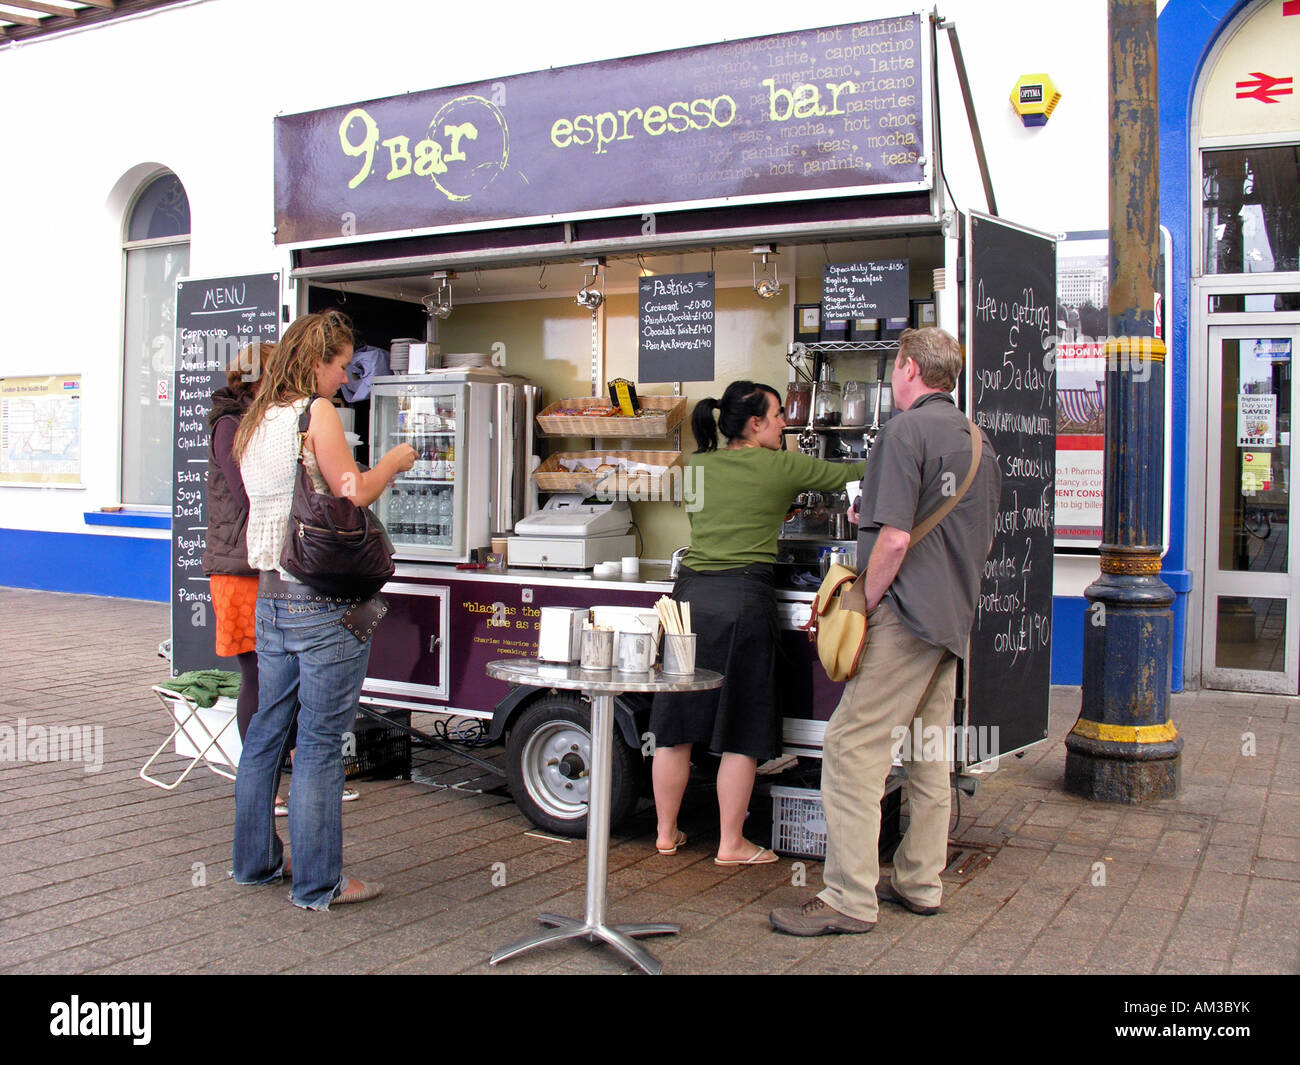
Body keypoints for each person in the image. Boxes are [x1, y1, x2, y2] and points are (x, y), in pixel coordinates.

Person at [770, 327, 1001, 936]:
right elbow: (964, 533)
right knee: (928, 756)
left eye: (895, 367)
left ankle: (848, 897)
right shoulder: (979, 441)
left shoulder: (904, 431)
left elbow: (896, 538)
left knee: (851, 748)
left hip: (905, 615)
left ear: (906, 368)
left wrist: (863, 606)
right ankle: (922, 883)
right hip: (952, 621)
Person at [231, 310, 416, 910]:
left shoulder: (255, 417)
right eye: (341, 366)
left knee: (265, 734)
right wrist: (394, 461)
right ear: (315, 361)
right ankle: (318, 883)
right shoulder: (314, 413)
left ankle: (255, 863)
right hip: (323, 603)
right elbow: (351, 491)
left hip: (271, 597)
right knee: (317, 742)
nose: (344, 378)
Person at [650, 381, 865, 866]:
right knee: (742, 727)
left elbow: (718, 513)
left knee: (676, 726)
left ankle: (666, 834)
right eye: (779, 416)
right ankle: (731, 844)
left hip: (688, 598)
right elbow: (850, 472)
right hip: (743, 598)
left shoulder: (695, 466)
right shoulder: (780, 465)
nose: (785, 423)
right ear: (755, 423)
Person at [202, 356, 262, 741]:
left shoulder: (253, 422)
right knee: (257, 675)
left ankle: (293, 767)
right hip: (238, 570)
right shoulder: (229, 425)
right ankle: (263, 787)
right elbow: (246, 494)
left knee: (284, 675)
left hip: (258, 564)